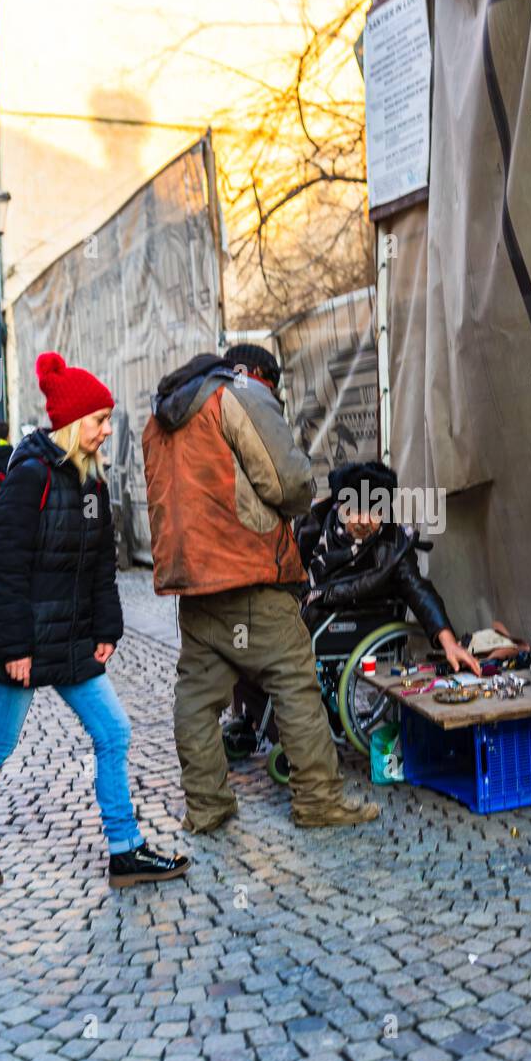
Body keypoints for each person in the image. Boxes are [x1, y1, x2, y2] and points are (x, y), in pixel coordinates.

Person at [0, 353, 189, 891]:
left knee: (114, 731)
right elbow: (6, 570)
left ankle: (125, 849)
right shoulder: (30, 476)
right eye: (99, 421)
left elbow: (100, 567)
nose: (107, 431)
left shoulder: (92, 483)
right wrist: (15, 645)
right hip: (26, 643)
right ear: (70, 423)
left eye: (108, 420)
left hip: (72, 642)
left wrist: (107, 629)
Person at [141, 343, 380, 833]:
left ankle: (207, 806)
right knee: (294, 681)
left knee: (197, 696)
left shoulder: (158, 421)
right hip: (248, 572)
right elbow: (289, 483)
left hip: (193, 581)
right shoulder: (238, 394)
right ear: (255, 374)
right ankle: (318, 800)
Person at [302, 460, 482, 674]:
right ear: (340, 506)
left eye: (374, 512)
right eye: (355, 511)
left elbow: (418, 590)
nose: (364, 521)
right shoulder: (312, 527)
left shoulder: (393, 544)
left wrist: (449, 641)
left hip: (361, 624)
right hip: (308, 625)